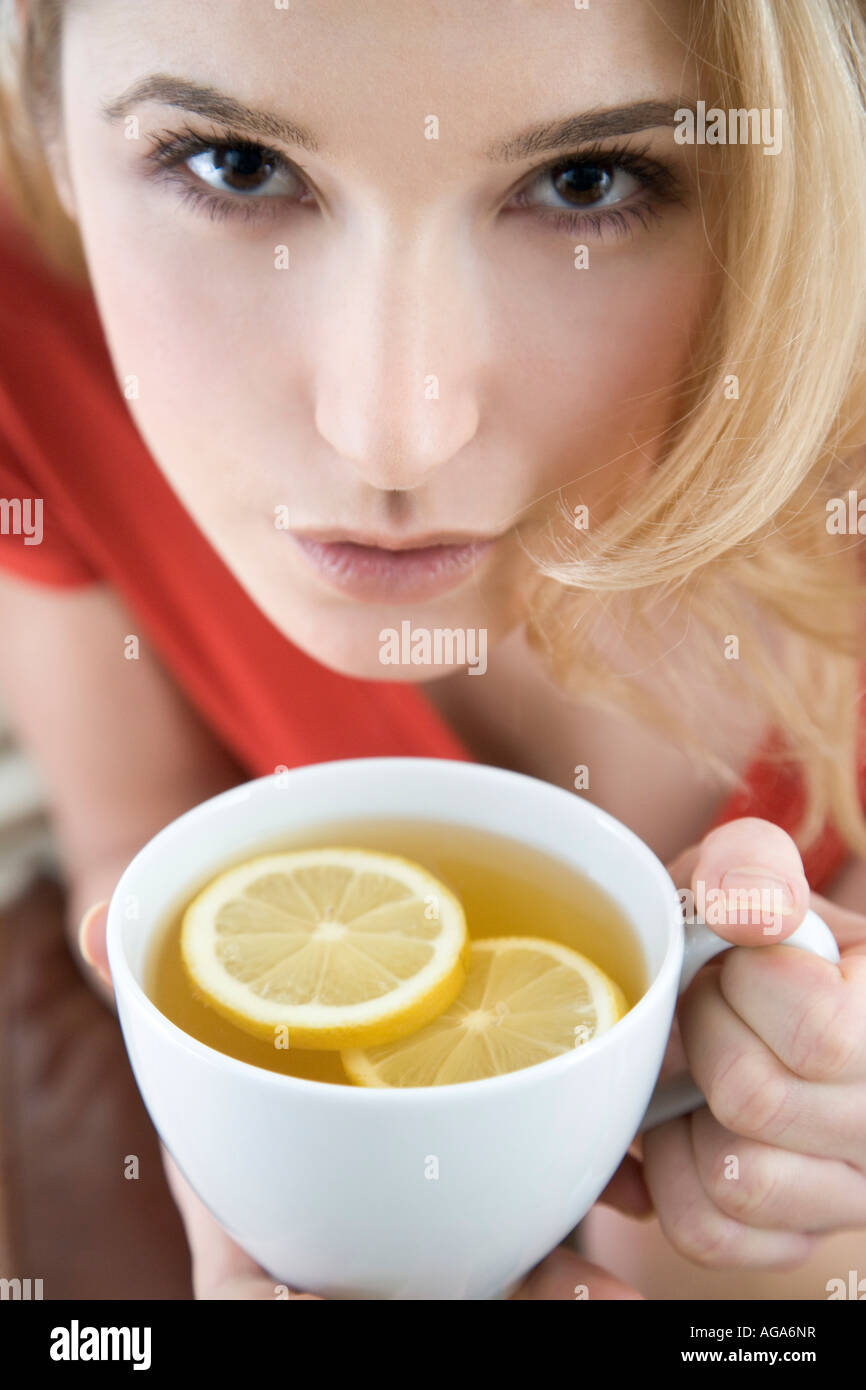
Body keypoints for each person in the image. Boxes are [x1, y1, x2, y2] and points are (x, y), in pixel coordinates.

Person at [0, 0, 865, 1300]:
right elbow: (132, 842)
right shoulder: (34, 342)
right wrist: (257, 1130)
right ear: (45, 118)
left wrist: (778, 1191)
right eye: (236, 163)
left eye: (587, 180)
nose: (392, 436)